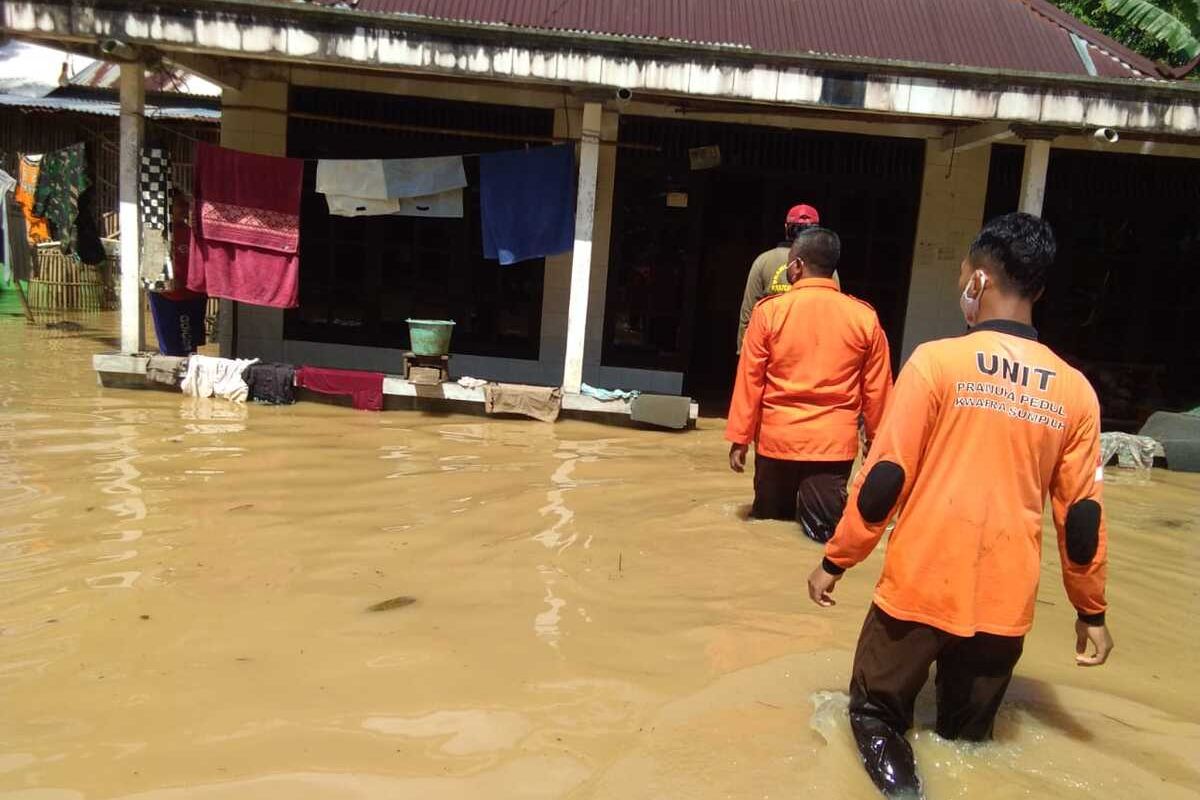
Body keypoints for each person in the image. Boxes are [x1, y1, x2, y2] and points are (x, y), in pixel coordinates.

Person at [806, 213, 1113, 799]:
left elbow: (883, 482)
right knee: (967, 743)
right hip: (1004, 603)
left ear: (978, 281)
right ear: (1039, 289)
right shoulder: (1075, 392)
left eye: (963, 277)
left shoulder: (935, 363)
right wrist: (1091, 612)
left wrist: (836, 560)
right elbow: (1081, 519)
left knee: (874, 716)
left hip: (919, 589)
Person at [727, 227, 892, 543]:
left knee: (765, 535)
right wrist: (878, 444)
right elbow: (877, 391)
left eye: (789, 262)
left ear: (797, 266)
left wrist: (739, 437)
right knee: (820, 539)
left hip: (777, 442)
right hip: (832, 449)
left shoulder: (769, 313)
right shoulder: (864, 318)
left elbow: (750, 380)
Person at [737, 204, 840, 351]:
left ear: (786, 228)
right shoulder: (826, 267)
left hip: (770, 352)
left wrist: (744, 353)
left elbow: (748, 315)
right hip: (811, 351)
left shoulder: (764, 261)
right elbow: (835, 316)